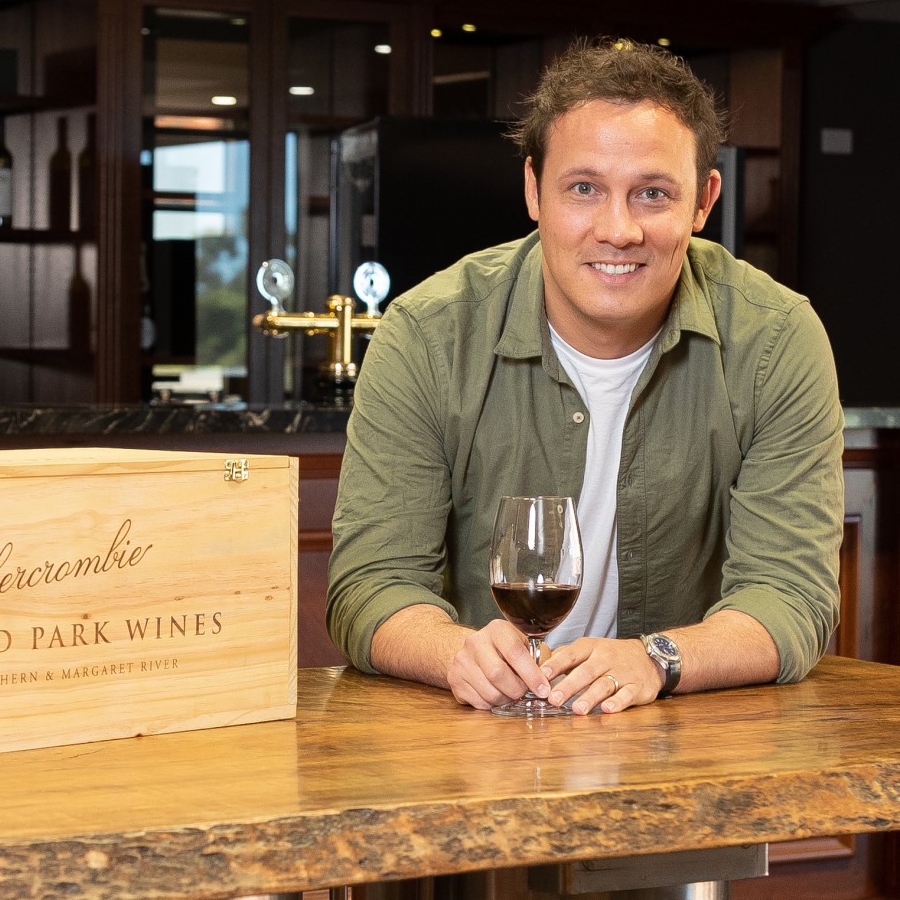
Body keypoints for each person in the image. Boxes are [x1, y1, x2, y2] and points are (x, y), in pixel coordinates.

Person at [326, 38, 844, 716]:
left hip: (678, 736)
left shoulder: (776, 338)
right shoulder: (427, 334)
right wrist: (455, 653)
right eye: (584, 189)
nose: (618, 230)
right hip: (475, 738)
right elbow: (372, 582)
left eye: (652, 193)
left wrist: (656, 659)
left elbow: (792, 595)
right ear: (533, 189)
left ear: (703, 202)